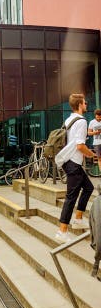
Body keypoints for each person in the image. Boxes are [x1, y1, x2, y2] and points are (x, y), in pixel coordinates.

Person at [54, 94, 95, 242]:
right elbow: (80, 145)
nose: (86, 104)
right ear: (79, 105)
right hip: (73, 163)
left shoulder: (69, 119)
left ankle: (78, 219)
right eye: (84, 103)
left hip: (70, 162)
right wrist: (90, 154)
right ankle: (62, 231)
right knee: (71, 197)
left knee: (89, 188)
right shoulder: (82, 121)